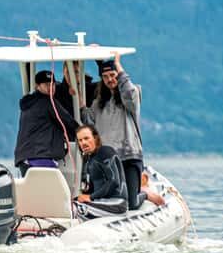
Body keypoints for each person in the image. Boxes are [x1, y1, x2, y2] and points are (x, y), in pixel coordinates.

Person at [82, 51, 145, 210]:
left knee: (132, 204)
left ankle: (145, 194)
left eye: (113, 75)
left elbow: (128, 92)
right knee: (105, 200)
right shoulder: (98, 103)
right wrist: (80, 103)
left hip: (129, 156)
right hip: (108, 160)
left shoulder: (132, 97)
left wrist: (118, 65)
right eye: (105, 76)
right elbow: (89, 123)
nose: (110, 79)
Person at [14, 70, 79, 177]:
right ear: (37, 86)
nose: (51, 88)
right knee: (53, 187)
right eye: (47, 84)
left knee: (34, 188)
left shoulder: (29, 103)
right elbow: (68, 122)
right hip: (40, 157)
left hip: (24, 159)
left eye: (53, 84)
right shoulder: (48, 102)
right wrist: (85, 135)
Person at [74, 124, 127, 204]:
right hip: (100, 201)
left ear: (95, 138)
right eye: (80, 140)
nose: (83, 143)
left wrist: (91, 197)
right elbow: (92, 189)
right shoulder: (89, 159)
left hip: (116, 202)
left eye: (86, 138)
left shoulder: (105, 151)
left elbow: (114, 182)